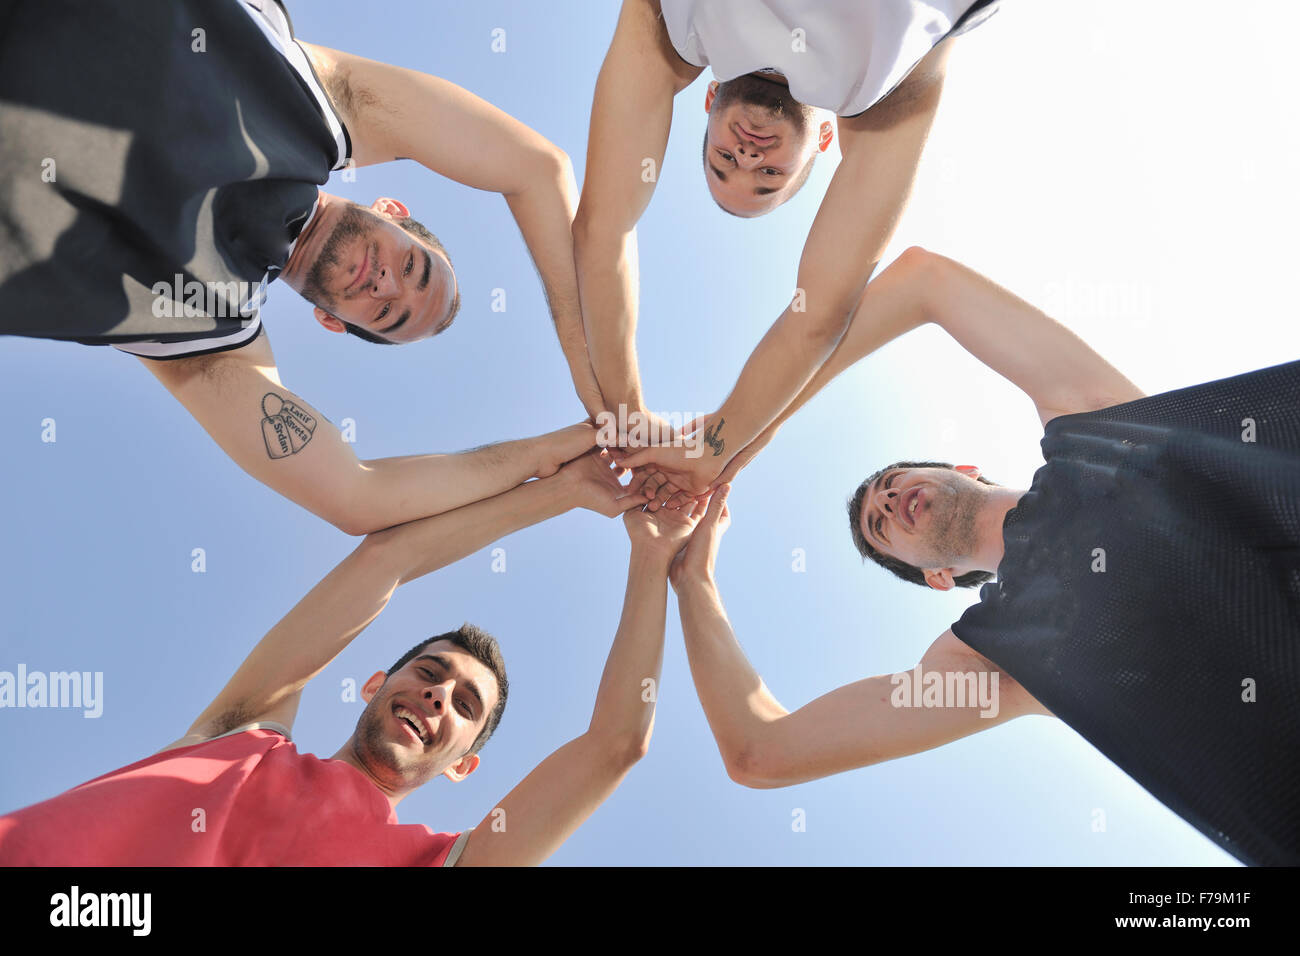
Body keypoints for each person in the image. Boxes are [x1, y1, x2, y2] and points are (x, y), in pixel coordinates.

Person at [669, 248, 1300, 866]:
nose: (887, 500)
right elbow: (762, 752)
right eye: (877, 526)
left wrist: (744, 429)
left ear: (964, 468)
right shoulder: (998, 658)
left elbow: (925, 280)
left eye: (892, 481)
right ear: (938, 578)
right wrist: (691, 578)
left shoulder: (1093, 424)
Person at [0, 0, 605, 533]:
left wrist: (560, 452)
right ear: (391, 209)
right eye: (413, 268)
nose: (386, 284)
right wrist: (598, 378)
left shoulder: (206, 333)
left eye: (387, 314)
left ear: (333, 322)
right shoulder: (320, 103)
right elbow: (539, 170)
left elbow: (357, 496)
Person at [0, 448, 712, 865]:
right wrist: (560, 489)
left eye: (466, 706)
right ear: (377, 682)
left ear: (465, 765)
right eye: (430, 673)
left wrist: (652, 560)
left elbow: (617, 746)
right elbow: (387, 555)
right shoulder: (245, 736)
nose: (439, 695)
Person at [574, 0, 999, 504]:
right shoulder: (882, 86)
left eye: (724, 159)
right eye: (769, 174)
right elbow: (819, 314)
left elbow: (603, 229)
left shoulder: (675, 29)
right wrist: (716, 443)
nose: (749, 156)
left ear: (710, 99)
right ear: (826, 138)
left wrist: (627, 418)